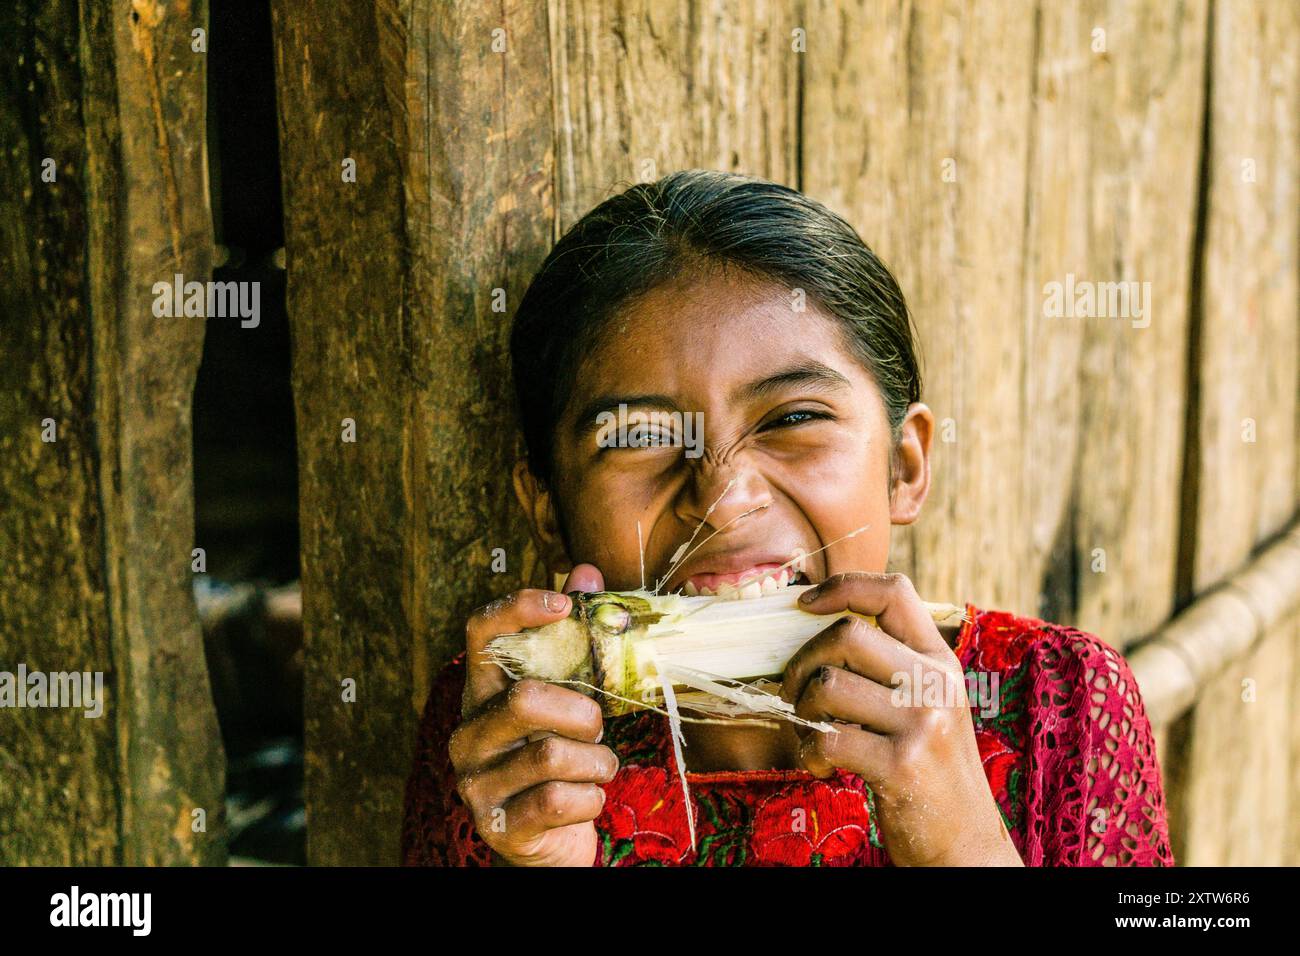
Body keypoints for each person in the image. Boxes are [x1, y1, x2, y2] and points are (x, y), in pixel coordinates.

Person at [401, 170, 1173, 867]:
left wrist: (962, 845)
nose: (724, 494)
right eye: (640, 436)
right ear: (547, 505)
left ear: (904, 466)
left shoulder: (1056, 702)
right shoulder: (510, 732)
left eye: (794, 416)